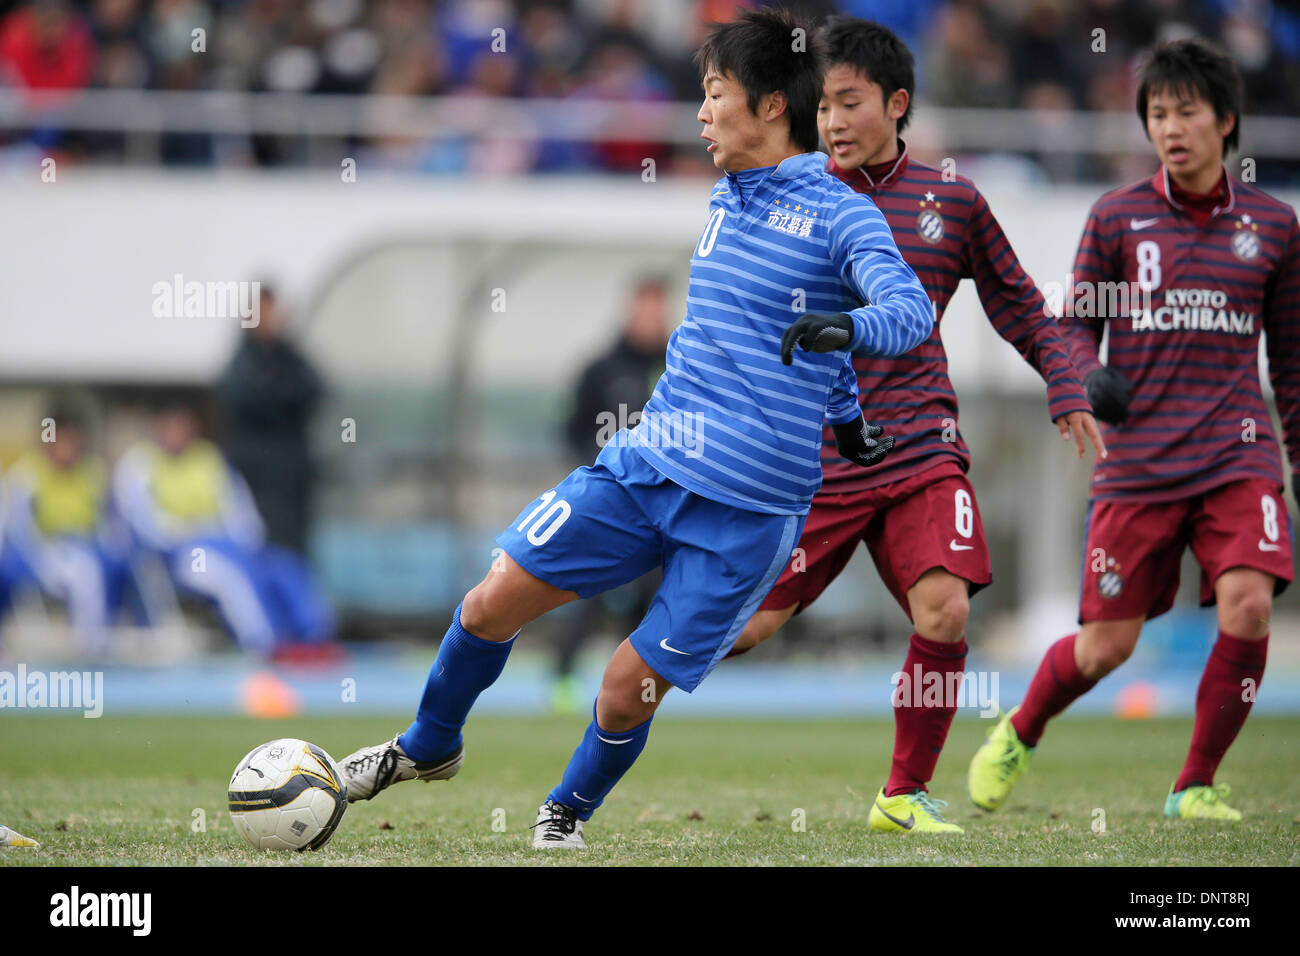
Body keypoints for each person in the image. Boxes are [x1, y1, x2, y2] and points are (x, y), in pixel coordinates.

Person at [335, 7, 933, 850]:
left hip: (750, 513)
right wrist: (848, 415)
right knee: (489, 599)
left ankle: (563, 815)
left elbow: (903, 311)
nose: (699, 112)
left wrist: (853, 342)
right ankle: (429, 746)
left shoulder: (844, 216)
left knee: (622, 689)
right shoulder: (728, 196)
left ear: (768, 106)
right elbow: (796, 332)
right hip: (646, 465)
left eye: (714, 93)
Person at [723, 17, 1104, 834]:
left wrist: (1067, 387)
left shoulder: (953, 201)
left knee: (945, 610)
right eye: (820, 104)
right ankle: (613, 702)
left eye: (848, 102)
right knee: (743, 627)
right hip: (810, 458)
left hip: (919, 444)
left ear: (896, 104)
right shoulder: (783, 196)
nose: (830, 121)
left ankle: (901, 797)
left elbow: (1026, 313)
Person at [968, 37, 1299, 822]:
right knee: (1105, 649)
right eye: (1157, 114)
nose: (1170, 128)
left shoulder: (1276, 227)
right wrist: (1088, 377)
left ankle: (1195, 783)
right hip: (1139, 460)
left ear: (1225, 120)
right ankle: (1020, 728)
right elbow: (1073, 327)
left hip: (1236, 452)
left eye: (1185, 112)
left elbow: (1289, 361)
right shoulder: (1117, 217)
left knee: (1248, 604)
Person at [113, 398, 338, 660]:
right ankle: (266, 647)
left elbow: (242, 515)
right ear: (157, 428)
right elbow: (144, 526)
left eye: (183, 426)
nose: (178, 433)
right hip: (179, 557)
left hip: (225, 544)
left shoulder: (210, 459)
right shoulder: (140, 464)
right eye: (170, 426)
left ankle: (315, 639)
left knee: (286, 566)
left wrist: (239, 542)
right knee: (228, 576)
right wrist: (195, 533)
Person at [550, 276, 671, 712]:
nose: (652, 317)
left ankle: (632, 686)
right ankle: (562, 681)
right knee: (590, 588)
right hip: (609, 499)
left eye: (659, 308)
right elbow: (571, 430)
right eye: (645, 307)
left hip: (664, 505)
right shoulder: (601, 369)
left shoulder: (681, 365)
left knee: (653, 595)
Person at [2, 402, 133, 657]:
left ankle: (113, 640)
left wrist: (106, 550)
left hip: (86, 549)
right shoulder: (27, 475)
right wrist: (49, 554)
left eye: (71, 441)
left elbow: (109, 527)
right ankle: (90, 650)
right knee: (83, 574)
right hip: (43, 554)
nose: (66, 448)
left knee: (118, 566)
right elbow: (19, 532)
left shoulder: (93, 474)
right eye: (59, 440)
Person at [216, 284, 324, 556]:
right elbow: (252, 400)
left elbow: (314, 389)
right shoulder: (241, 365)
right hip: (257, 484)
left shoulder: (290, 358)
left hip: (292, 486)